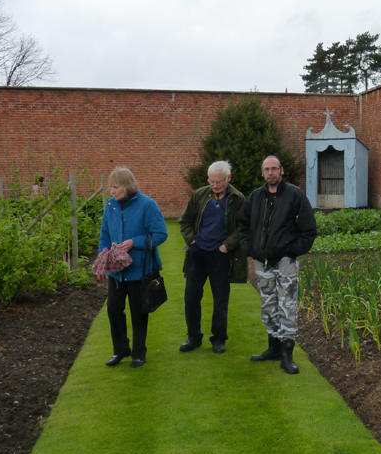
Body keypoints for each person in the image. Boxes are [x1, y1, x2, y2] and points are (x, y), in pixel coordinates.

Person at [239, 155, 317, 374]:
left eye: (274, 169)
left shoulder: (294, 195)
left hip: (285, 263)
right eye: (267, 169)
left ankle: (287, 354)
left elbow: (308, 230)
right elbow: (243, 226)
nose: (271, 173)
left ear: (281, 171)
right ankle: (273, 348)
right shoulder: (255, 198)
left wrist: (290, 250)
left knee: (288, 306)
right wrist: (249, 248)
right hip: (262, 262)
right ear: (262, 173)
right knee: (268, 305)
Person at [96, 166, 168, 368]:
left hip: (140, 271)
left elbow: (161, 234)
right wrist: (102, 264)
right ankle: (120, 350)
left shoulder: (148, 205)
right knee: (113, 309)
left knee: (139, 312)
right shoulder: (110, 205)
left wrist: (133, 242)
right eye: (110, 187)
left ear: (127, 186)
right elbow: (105, 237)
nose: (112, 191)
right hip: (116, 272)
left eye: (115, 187)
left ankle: (138, 353)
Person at [178, 160, 246, 354]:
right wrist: (192, 240)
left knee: (220, 299)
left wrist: (227, 245)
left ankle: (218, 339)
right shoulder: (200, 195)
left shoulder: (238, 198)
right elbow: (185, 221)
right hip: (198, 254)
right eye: (211, 181)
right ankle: (193, 337)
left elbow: (243, 227)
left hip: (220, 256)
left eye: (219, 181)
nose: (215, 185)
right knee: (191, 297)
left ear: (228, 178)